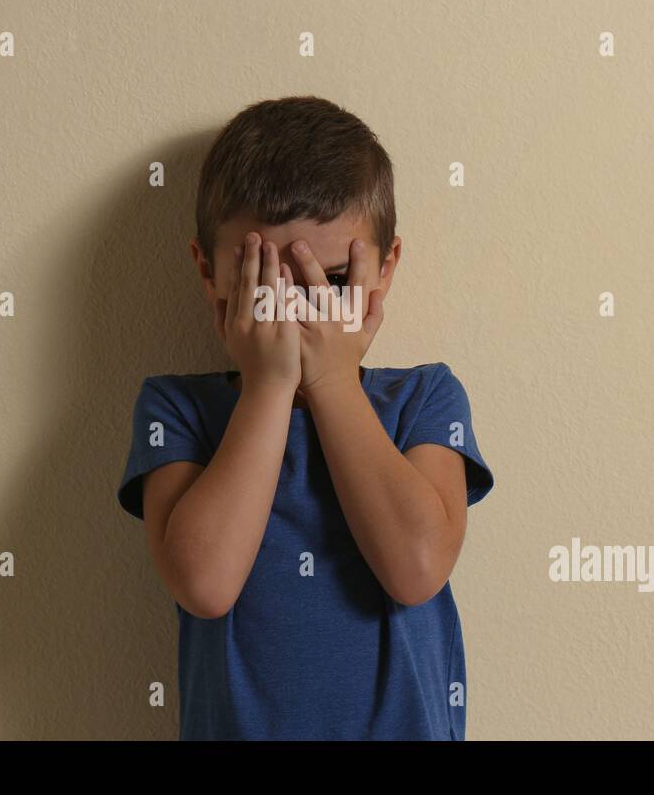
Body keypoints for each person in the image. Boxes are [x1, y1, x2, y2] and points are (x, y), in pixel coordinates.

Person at [117, 95, 493, 739]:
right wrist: (267, 388)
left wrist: (330, 382)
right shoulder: (178, 410)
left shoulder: (424, 401)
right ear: (209, 272)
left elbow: (417, 568)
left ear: (387, 269)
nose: (300, 312)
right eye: (265, 283)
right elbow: (204, 585)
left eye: (335, 278)